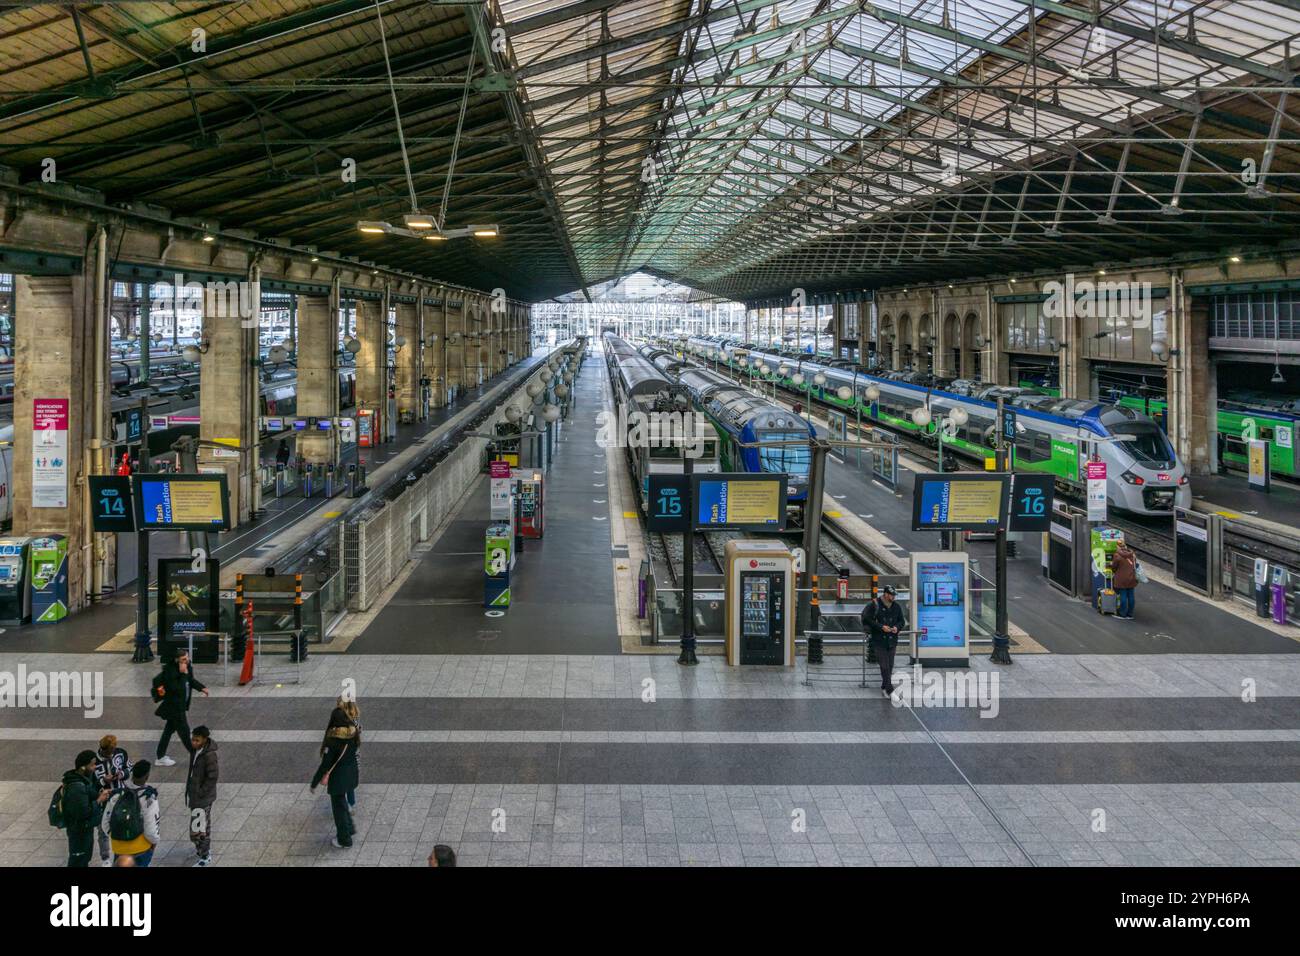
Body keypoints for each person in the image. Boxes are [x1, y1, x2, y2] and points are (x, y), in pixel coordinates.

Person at [311, 709, 359, 849]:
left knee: (338, 808)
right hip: (352, 774)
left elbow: (325, 764)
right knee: (342, 803)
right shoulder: (353, 733)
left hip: (338, 779)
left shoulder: (332, 740)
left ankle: (344, 839)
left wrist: (314, 783)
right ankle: (349, 828)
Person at [153, 650, 208, 767]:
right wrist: (182, 674)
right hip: (174, 707)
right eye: (183, 659)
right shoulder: (170, 670)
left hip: (181, 706)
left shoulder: (187, 666)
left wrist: (201, 688)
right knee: (185, 732)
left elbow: (190, 680)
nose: (186, 661)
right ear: (177, 660)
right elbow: (176, 689)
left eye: (187, 658)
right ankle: (195, 756)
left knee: (168, 732)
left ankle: (160, 756)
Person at [101, 760, 161, 867]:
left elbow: (105, 824)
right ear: (147, 777)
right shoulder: (149, 799)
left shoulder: (117, 795)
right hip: (141, 848)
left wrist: (118, 836)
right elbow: (151, 830)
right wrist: (153, 843)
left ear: (132, 774)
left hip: (118, 849)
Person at [61, 750, 110, 867]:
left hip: (85, 828)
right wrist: (99, 800)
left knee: (85, 858)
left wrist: (101, 792)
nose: (95, 767)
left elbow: (91, 791)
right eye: (92, 765)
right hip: (79, 830)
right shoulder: (76, 787)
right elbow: (84, 812)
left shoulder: (83, 779)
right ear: (83, 767)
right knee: (78, 861)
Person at [93, 734, 133, 865]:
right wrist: (103, 780)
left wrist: (121, 774)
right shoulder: (95, 761)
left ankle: (123, 852)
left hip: (120, 796)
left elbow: (129, 767)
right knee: (102, 829)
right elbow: (92, 780)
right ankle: (105, 858)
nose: (111, 754)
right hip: (104, 799)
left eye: (113, 751)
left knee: (123, 823)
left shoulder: (121, 753)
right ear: (102, 749)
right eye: (108, 752)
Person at [861, 584, 906, 697]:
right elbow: (866, 619)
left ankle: (884, 687)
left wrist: (897, 627)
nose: (894, 597)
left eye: (894, 595)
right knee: (884, 666)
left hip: (892, 641)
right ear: (886, 594)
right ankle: (890, 691)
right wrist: (881, 627)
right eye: (892, 595)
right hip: (879, 640)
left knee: (890, 666)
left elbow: (902, 621)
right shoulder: (874, 604)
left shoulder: (896, 606)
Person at [320, 696, 361, 810]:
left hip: (339, 755)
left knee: (339, 778)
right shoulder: (355, 718)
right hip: (352, 755)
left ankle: (342, 803)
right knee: (349, 778)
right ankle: (351, 803)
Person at [185, 726, 218, 866]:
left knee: (200, 829)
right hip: (195, 796)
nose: (193, 743)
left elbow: (212, 777)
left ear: (204, 740)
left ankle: (205, 855)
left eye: (197, 740)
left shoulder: (209, 755)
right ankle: (201, 850)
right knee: (196, 828)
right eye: (193, 739)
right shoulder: (196, 751)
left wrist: (200, 792)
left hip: (202, 799)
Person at [1111, 542, 1139, 620]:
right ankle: (1130, 614)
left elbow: (1114, 568)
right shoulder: (1132, 555)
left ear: (1118, 547)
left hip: (1122, 579)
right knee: (1131, 596)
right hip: (1131, 578)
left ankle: (1122, 614)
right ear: (1125, 546)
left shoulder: (1117, 556)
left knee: (1123, 596)